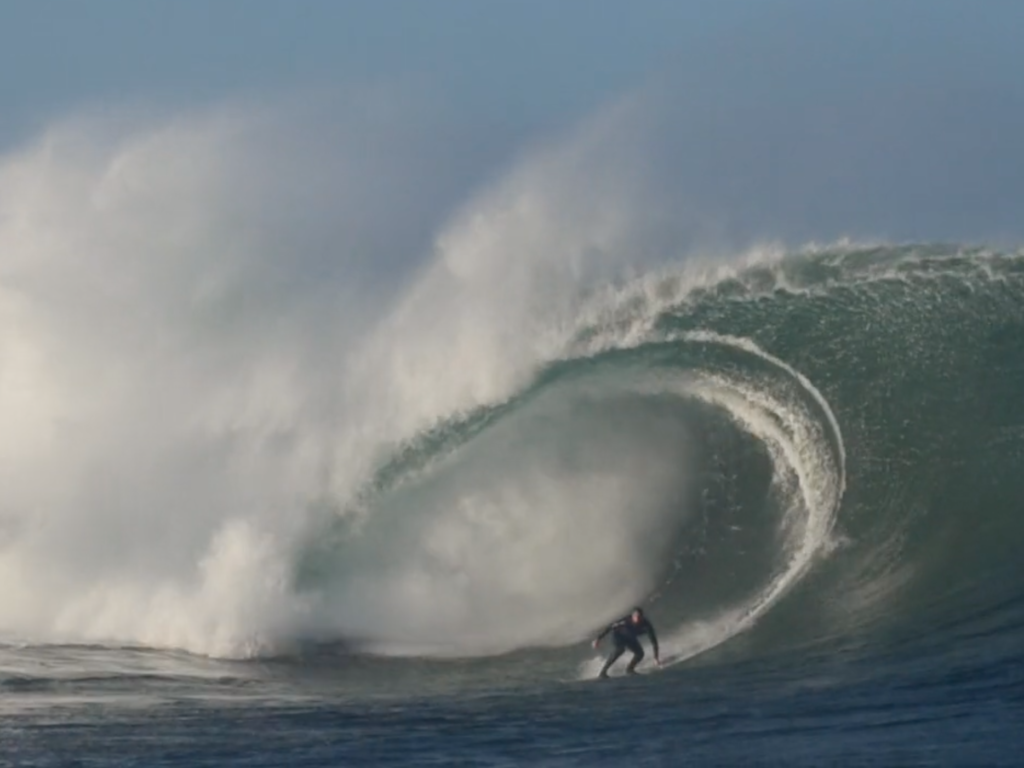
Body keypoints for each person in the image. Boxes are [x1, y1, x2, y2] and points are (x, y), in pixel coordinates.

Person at [592, 607, 661, 678]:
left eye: (639, 617)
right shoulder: (625, 621)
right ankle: (603, 673)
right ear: (632, 616)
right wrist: (598, 639)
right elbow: (611, 627)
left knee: (640, 653)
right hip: (618, 635)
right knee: (620, 650)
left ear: (642, 617)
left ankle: (629, 669)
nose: (637, 619)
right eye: (636, 616)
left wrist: (656, 658)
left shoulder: (646, 625)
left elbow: (654, 641)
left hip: (630, 638)